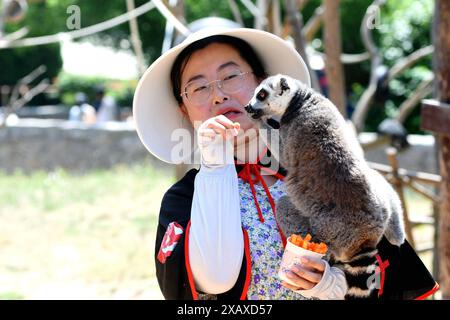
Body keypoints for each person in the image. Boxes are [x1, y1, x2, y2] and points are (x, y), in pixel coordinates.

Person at [133, 27, 438, 300]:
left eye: (230, 76)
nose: (218, 95)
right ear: (185, 110)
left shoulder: (330, 172)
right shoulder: (183, 202)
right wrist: (216, 164)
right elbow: (215, 280)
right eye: (199, 88)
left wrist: (328, 286)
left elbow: (377, 276)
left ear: (261, 84)